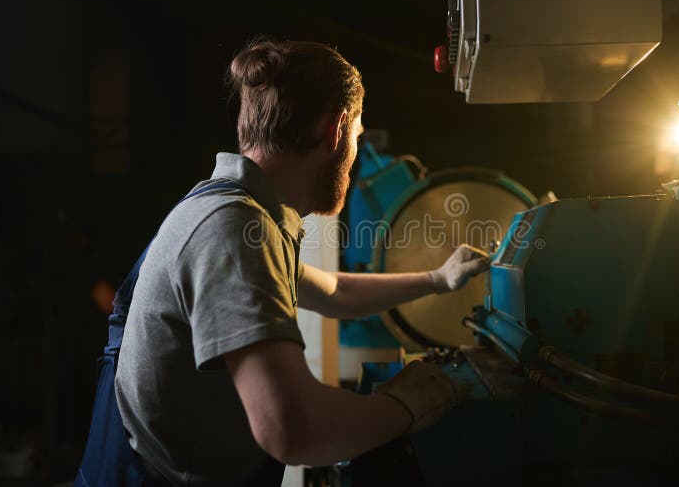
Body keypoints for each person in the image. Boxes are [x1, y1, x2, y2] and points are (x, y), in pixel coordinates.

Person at [114, 39, 490, 485]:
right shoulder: (232, 230)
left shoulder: (239, 212)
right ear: (335, 131)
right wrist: (419, 398)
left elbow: (334, 292)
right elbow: (291, 430)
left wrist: (437, 279)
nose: (353, 158)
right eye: (357, 138)